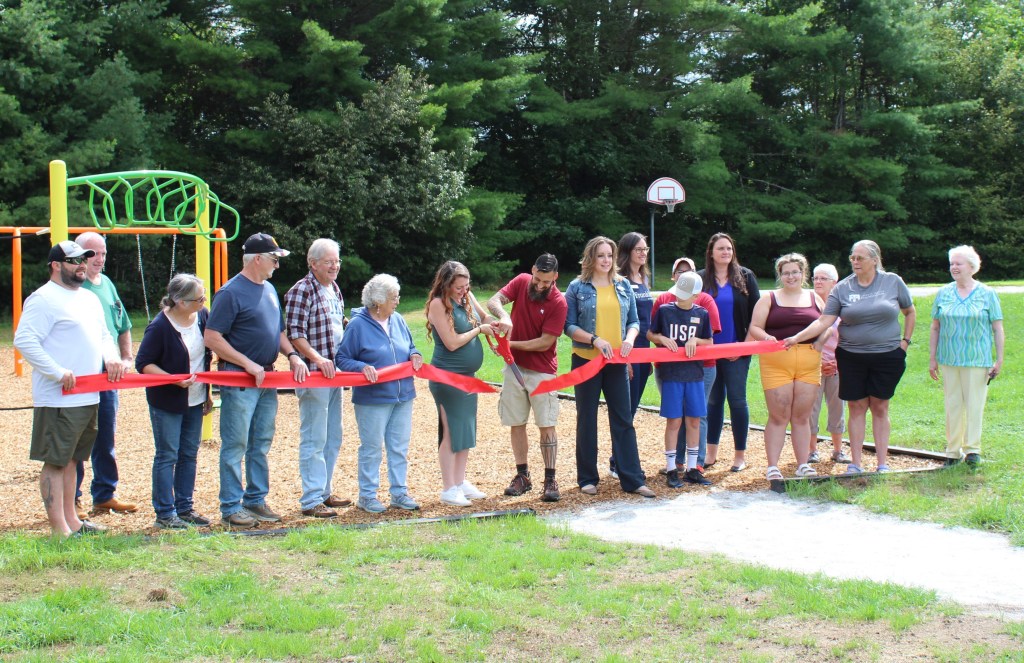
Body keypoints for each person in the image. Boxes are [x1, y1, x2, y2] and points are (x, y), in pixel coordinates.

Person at [14, 240, 124, 537]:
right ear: (55, 265)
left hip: (89, 394)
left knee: (74, 459)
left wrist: (112, 358)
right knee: (56, 460)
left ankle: (73, 522)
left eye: (83, 260)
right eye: (74, 260)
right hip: (58, 396)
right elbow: (24, 341)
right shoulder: (43, 299)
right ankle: (59, 528)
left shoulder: (87, 298)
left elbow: (104, 335)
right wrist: (57, 372)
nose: (81, 265)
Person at [204, 233, 309, 528]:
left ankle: (255, 499)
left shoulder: (269, 290)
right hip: (239, 378)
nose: (277, 264)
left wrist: (292, 355)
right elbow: (212, 337)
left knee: (261, 442)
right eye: (274, 259)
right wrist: (247, 363)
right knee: (235, 444)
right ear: (258, 259)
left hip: (266, 378)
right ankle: (230, 506)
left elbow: (277, 332)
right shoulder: (230, 293)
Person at [784, 240, 916, 474]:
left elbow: (909, 311)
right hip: (852, 356)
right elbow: (825, 320)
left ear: (874, 260)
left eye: (860, 258)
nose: (855, 262)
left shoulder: (892, 282)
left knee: (880, 406)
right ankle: (856, 463)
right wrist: (797, 337)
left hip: (887, 355)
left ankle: (882, 463)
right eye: (852, 258)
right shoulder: (843, 288)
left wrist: (905, 343)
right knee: (856, 406)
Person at [564, 236, 656, 498]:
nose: (606, 260)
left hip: (616, 362)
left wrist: (628, 339)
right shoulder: (576, 287)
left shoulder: (624, 284)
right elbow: (568, 327)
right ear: (590, 258)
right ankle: (587, 478)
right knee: (587, 419)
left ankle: (632, 479)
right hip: (586, 360)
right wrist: (595, 339)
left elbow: (635, 321)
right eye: (601, 255)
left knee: (623, 419)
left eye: (609, 256)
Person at [336, 274, 424, 513]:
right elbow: (342, 358)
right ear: (378, 301)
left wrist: (415, 355)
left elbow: (410, 347)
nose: (397, 301)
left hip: (403, 394)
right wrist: (361, 367)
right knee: (372, 447)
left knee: (399, 447)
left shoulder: (398, 320)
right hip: (372, 397)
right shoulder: (357, 325)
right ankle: (367, 495)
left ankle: (399, 493)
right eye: (394, 297)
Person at [486, 254, 568, 502]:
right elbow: (494, 301)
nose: (541, 285)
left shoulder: (558, 302)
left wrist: (510, 344)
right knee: (516, 422)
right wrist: (505, 316)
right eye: (538, 279)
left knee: (546, 424)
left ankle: (550, 479)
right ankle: (523, 476)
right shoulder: (522, 282)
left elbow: (545, 343)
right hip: (514, 369)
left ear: (555, 277)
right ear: (532, 270)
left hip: (542, 371)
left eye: (547, 281)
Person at [135, 274, 214, 529]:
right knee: (167, 454)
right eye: (198, 298)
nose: (203, 301)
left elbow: (206, 356)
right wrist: (172, 379)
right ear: (180, 301)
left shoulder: (202, 316)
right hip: (167, 400)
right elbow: (143, 363)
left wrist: (208, 393)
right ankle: (165, 513)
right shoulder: (159, 327)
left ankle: (185, 507)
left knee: (189, 453)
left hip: (196, 396)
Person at [284, 238, 351, 519]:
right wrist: (317, 358)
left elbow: (338, 324)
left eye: (337, 261)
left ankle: (324, 490)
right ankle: (311, 499)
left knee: (333, 435)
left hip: (335, 373)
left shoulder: (333, 288)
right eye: (329, 261)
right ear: (313, 263)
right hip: (314, 374)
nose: (334, 266)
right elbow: (295, 333)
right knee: (314, 436)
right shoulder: (301, 291)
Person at [73, 231, 137, 517]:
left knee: (105, 436)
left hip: (108, 374)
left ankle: (104, 494)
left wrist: (126, 356)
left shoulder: (107, 284)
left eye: (103, 254)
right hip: (83, 372)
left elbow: (122, 324)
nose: (99, 259)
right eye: (92, 254)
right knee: (76, 438)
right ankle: (71, 497)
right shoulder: (73, 286)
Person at [747, 254, 824, 481]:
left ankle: (803, 464)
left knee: (802, 416)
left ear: (803, 274)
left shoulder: (815, 298)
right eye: (786, 272)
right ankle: (773, 465)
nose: (791, 276)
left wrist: (821, 342)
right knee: (779, 414)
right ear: (780, 276)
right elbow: (754, 327)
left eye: (795, 272)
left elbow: (827, 322)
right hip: (777, 363)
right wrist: (768, 338)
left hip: (809, 364)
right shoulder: (769, 299)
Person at [425, 261, 495, 507]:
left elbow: (484, 316)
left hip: (468, 377)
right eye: (458, 287)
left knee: (466, 430)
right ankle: (449, 487)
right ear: (446, 284)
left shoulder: (467, 296)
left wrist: (496, 324)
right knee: (451, 432)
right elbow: (452, 342)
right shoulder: (438, 304)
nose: (463, 291)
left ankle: (460, 480)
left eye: (466, 286)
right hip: (447, 376)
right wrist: (480, 330)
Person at [928, 245, 1004, 467]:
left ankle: (973, 450)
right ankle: (952, 452)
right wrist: (932, 358)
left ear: (972, 266)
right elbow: (935, 327)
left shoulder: (987, 294)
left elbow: (997, 328)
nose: (954, 267)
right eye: (952, 264)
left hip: (977, 359)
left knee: (974, 404)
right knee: (952, 404)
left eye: (958, 263)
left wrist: (999, 359)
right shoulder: (944, 292)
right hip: (949, 358)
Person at [651, 257, 722, 471]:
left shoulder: (704, 307)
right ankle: (674, 464)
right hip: (670, 371)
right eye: (679, 272)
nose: (683, 275)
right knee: (675, 417)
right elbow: (652, 333)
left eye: (687, 271)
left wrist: (696, 341)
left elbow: (710, 338)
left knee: (695, 417)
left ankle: (696, 464)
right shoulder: (664, 305)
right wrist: (661, 339)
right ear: (674, 276)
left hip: (699, 370)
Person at [697, 233, 760, 472]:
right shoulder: (701, 279)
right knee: (713, 402)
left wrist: (744, 345)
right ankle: (710, 454)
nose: (726, 252)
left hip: (737, 349)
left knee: (737, 400)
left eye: (729, 249)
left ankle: (739, 456)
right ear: (711, 252)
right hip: (709, 351)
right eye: (721, 248)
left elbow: (757, 313)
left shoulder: (745, 276)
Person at [809, 263, 850, 464]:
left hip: (836, 365)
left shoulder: (843, 307)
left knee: (837, 407)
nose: (818, 281)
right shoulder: (809, 306)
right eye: (815, 278)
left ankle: (838, 450)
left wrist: (837, 362)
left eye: (823, 278)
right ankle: (811, 450)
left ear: (834, 282)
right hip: (811, 365)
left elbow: (849, 337)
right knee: (810, 408)